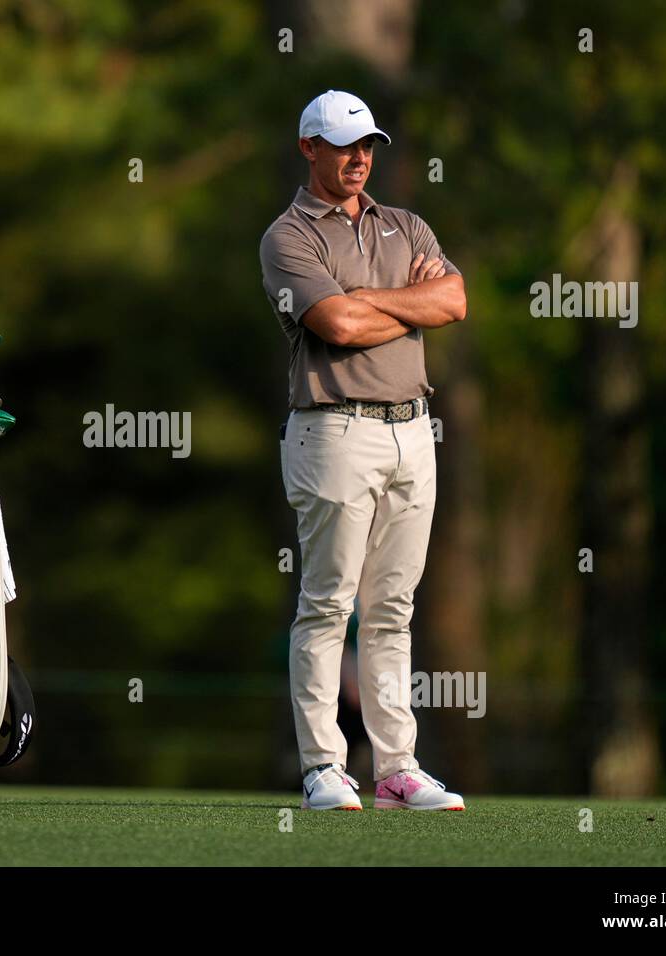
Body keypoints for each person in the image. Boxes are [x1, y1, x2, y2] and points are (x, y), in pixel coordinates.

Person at [260, 90, 468, 811]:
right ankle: (323, 766)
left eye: (368, 145)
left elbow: (453, 300)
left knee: (393, 608)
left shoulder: (405, 223)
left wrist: (364, 300)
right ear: (308, 147)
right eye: (344, 145)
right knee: (326, 604)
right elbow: (337, 326)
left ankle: (397, 767)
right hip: (333, 431)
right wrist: (400, 303)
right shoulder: (289, 236)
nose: (359, 159)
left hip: (414, 430)